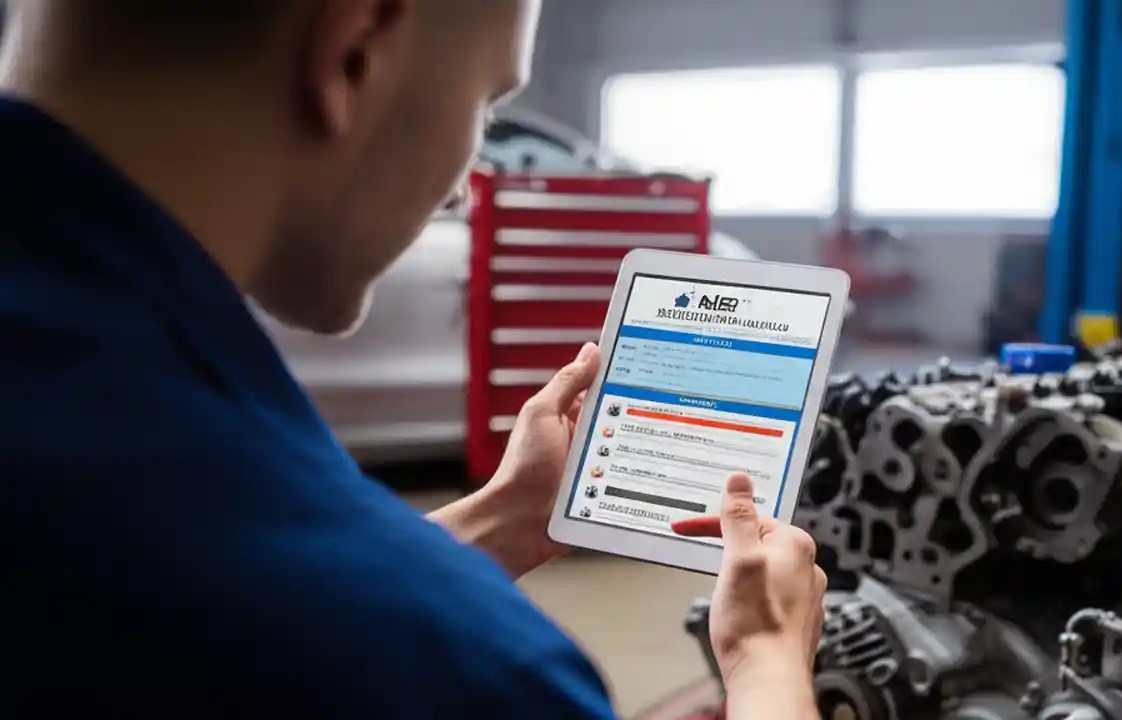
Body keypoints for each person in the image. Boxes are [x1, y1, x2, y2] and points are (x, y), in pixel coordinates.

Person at [0, 1, 827, 717]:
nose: (463, 187)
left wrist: (506, 514)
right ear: (357, 45)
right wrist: (764, 662)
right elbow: (324, 618)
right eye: (486, 104)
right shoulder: (464, 675)